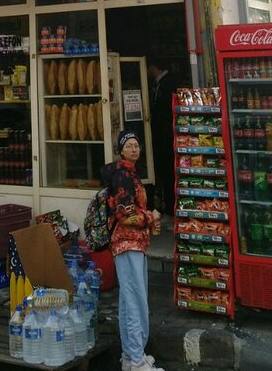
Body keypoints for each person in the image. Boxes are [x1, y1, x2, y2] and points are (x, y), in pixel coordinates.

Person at [101, 130, 163, 371]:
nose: (135, 149)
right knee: (135, 300)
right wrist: (150, 216)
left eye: (137, 145)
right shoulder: (123, 176)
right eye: (129, 146)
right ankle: (136, 361)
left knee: (130, 301)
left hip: (134, 243)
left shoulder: (129, 174)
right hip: (127, 244)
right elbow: (124, 214)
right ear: (121, 150)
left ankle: (131, 356)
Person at [147, 62, 177, 218]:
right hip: (161, 136)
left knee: (169, 172)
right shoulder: (158, 83)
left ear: (152, 67)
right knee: (165, 173)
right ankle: (168, 206)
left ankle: (172, 207)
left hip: (167, 135)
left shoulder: (169, 82)